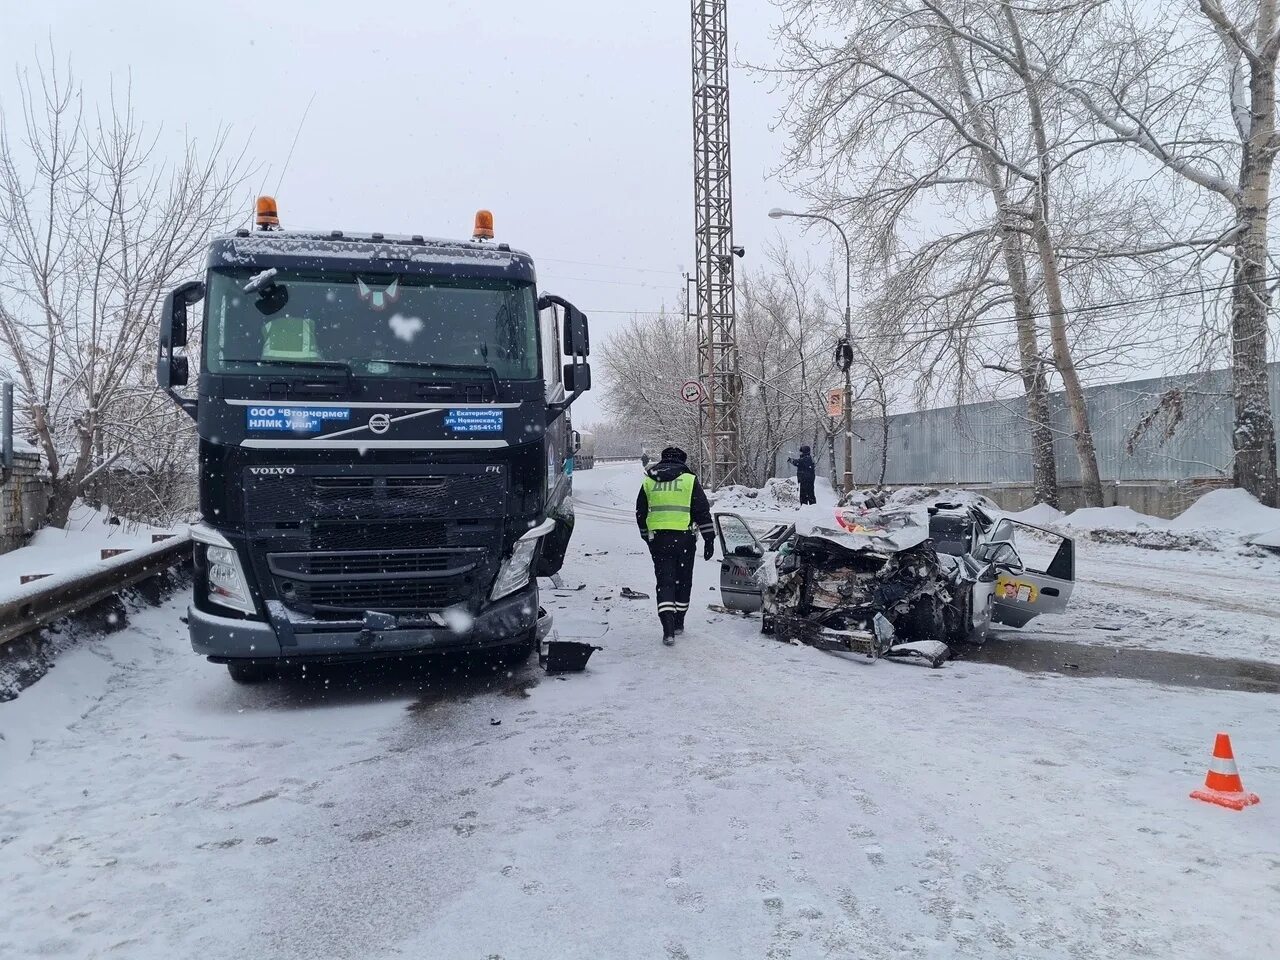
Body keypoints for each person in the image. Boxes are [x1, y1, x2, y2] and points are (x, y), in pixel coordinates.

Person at [635, 446, 715, 646]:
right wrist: (709, 539)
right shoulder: (689, 480)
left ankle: (667, 629)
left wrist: (646, 535)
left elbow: (640, 512)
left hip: (659, 540)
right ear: (682, 461)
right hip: (684, 539)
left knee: (665, 582)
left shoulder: (649, 480)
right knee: (683, 581)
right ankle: (678, 622)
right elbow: (702, 511)